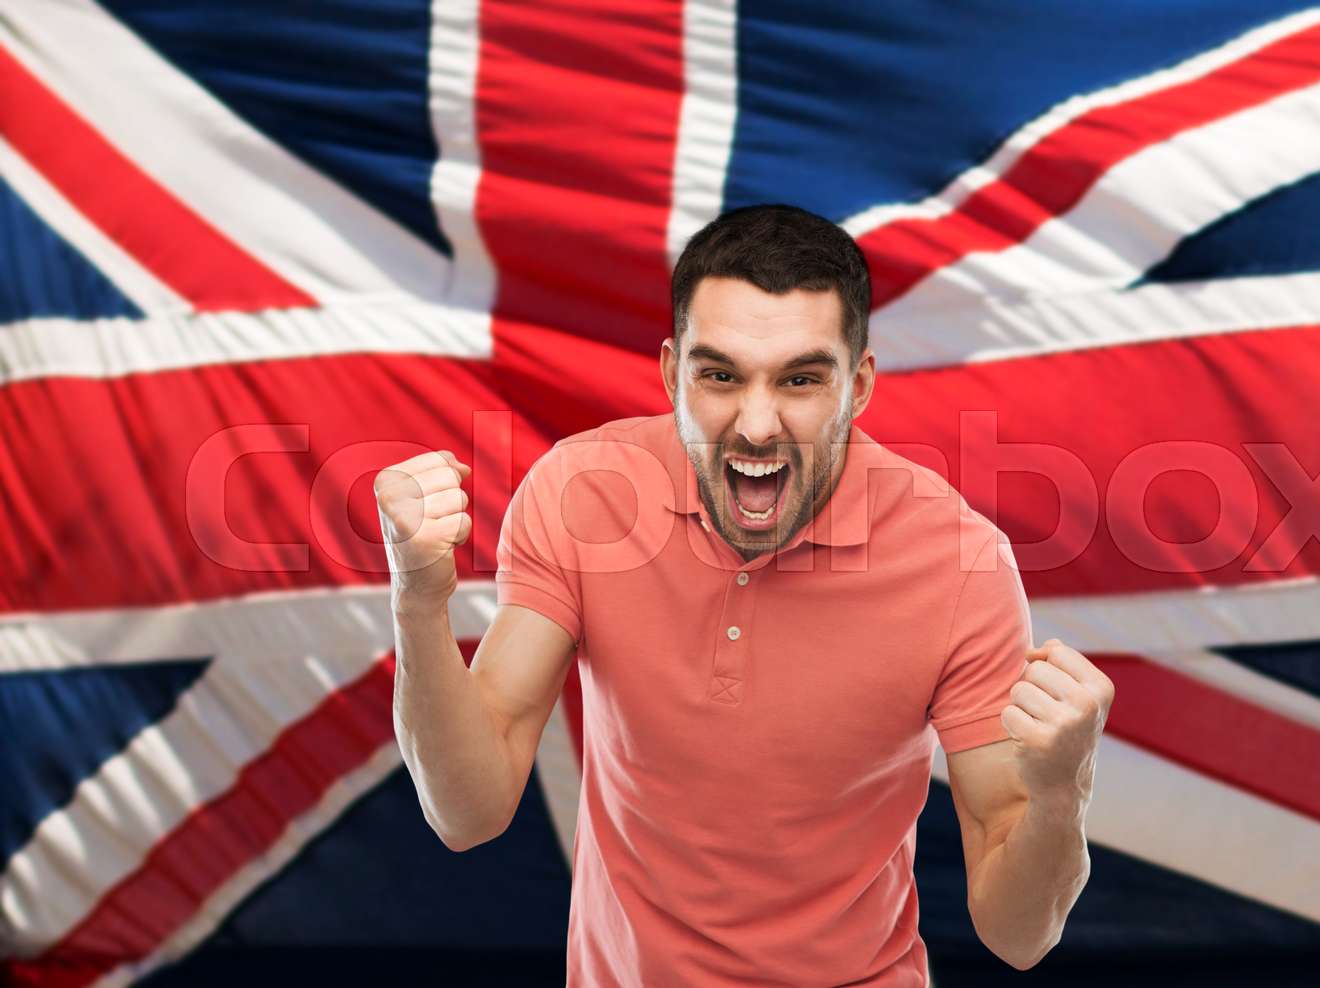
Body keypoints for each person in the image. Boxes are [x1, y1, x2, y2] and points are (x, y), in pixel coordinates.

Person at [375, 204, 1113, 986]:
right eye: (720, 375)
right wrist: (418, 603)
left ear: (858, 386)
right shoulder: (580, 493)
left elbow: (1018, 936)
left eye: (801, 379)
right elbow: (467, 811)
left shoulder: (959, 562)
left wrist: (1063, 789)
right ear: (671, 373)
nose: (757, 425)